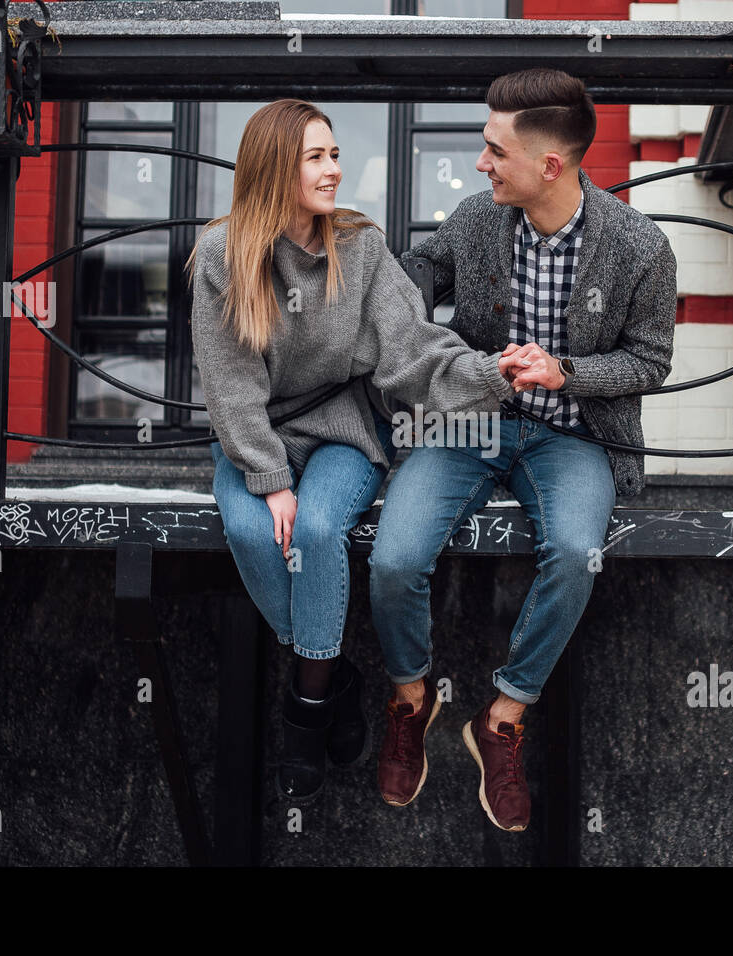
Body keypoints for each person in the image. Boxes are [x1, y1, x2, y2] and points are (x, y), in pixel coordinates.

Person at [368, 68, 678, 832]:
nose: (481, 163)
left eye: (493, 149)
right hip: (473, 426)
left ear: (551, 164)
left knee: (576, 552)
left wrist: (565, 371)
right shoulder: (479, 219)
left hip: (574, 435)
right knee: (395, 556)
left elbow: (650, 361)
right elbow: (415, 278)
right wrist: (368, 277)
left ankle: (503, 716)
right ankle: (411, 697)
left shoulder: (641, 248)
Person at [187, 98, 519, 804]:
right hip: (253, 440)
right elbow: (229, 380)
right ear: (277, 166)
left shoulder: (359, 247)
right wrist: (270, 475)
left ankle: (304, 711)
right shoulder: (223, 253)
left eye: (334, 154)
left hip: (341, 429)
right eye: (316, 157)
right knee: (252, 530)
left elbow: (408, 346)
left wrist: (487, 375)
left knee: (316, 531)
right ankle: (332, 674)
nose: (333, 169)